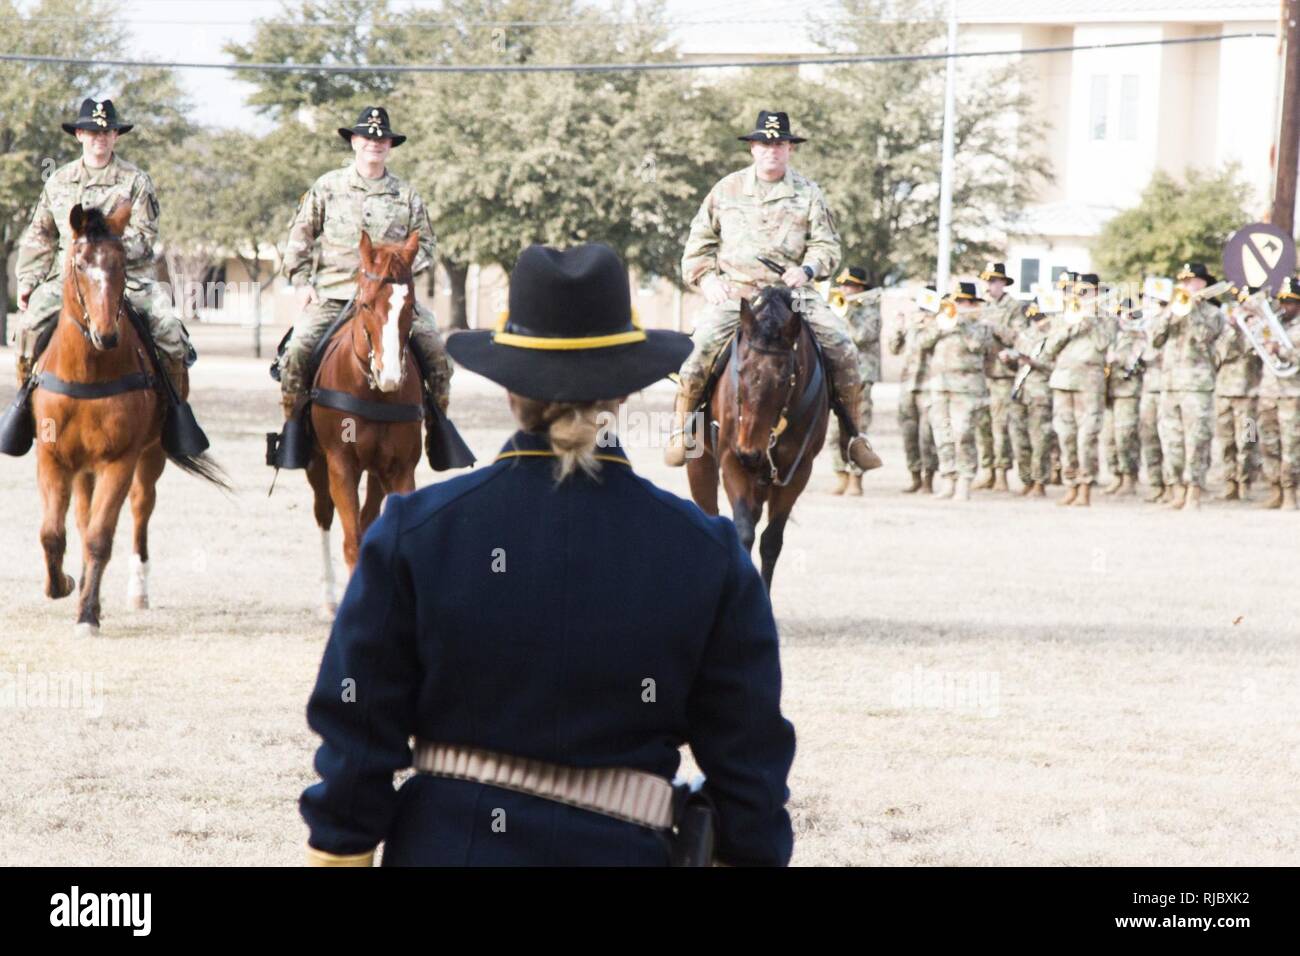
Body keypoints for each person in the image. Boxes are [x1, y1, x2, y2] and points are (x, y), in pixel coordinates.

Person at [300, 243, 797, 866]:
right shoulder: (708, 553)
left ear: (510, 389)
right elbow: (749, 772)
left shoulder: (414, 533)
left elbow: (356, 740)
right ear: (621, 394)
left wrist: (339, 852)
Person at [668, 110, 880, 473]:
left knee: (843, 347)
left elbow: (827, 246)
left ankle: (853, 436)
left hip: (792, 294)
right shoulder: (725, 190)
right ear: (752, 147)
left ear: (790, 149)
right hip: (738, 293)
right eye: (765, 144)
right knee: (698, 349)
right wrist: (707, 281)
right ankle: (681, 431)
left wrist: (808, 268)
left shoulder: (809, 192)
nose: (772, 150)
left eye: (780, 144)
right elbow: (697, 247)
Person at [279, 106, 452, 421]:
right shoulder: (327, 187)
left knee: (437, 354)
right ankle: (294, 428)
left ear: (389, 146)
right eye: (368, 137)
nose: (375, 143)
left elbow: (426, 244)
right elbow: (299, 236)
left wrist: (395, 273)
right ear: (355, 142)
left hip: (390, 300)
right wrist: (302, 283)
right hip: (335, 293)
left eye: (382, 139)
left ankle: (439, 430)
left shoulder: (407, 195)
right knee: (296, 351)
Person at [14, 98, 191, 388]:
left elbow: (145, 238)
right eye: (94, 132)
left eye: (107, 131)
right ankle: (25, 405)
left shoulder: (136, 181)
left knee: (171, 332)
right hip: (68, 280)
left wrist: (106, 253)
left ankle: (175, 413)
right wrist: (28, 281)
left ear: (116, 136)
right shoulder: (59, 181)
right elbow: (41, 234)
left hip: (129, 280)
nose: (101, 137)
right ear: (79, 135)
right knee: (28, 327)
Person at [1150, 262, 1225, 511]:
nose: (1185, 286)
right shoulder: (1172, 309)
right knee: (1171, 440)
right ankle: (1177, 490)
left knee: (1197, 440)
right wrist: (1173, 311)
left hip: (1197, 384)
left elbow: (1206, 338)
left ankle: (1194, 491)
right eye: (1183, 281)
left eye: (1191, 281)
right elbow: (1156, 339)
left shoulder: (1214, 313)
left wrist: (1192, 309)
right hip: (1170, 384)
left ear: (1203, 284)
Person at [1044, 273, 1114, 507]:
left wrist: (1090, 319)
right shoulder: (1064, 316)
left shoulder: (1105, 317)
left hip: (1090, 383)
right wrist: (1071, 326)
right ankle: (1070, 485)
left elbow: (1104, 344)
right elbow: (1050, 348)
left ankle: (1085, 487)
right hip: (1063, 381)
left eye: (1087, 291)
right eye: (1079, 291)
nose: (1082, 296)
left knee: (1087, 437)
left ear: (1096, 292)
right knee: (1066, 436)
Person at [918, 283, 991, 501]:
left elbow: (978, 345)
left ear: (971, 304)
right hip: (940, 385)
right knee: (943, 435)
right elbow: (922, 343)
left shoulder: (981, 325)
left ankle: (965, 481)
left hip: (967, 388)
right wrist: (940, 325)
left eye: (961, 301)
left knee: (963, 435)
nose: (956, 305)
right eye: (954, 301)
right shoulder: (941, 322)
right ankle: (948, 479)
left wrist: (962, 324)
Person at [827, 267, 882, 495]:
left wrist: (848, 312)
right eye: (843, 285)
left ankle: (856, 478)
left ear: (860, 288)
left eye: (850, 286)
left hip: (861, 375)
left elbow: (863, 336)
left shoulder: (870, 310)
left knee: (857, 428)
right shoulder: (834, 309)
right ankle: (840, 473)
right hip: (836, 374)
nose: (844, 290)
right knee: (832, 430)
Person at [976, 262, 1027, 491]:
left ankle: (1001, 473)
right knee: (982, 425)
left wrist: (994, 326)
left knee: (1001, 426)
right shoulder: (980, 306)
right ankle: (986, 469)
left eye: (994, 281)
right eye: (987, 280)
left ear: (1003, 283)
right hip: (981, 373)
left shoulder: (1014, 307)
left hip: (1002, 374)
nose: (990, 285)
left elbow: (1018, 338)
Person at [1212, 288, 1264, 501]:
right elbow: (1219, 355)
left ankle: (1246, 482)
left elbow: (1254, 353)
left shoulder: (1261, 328)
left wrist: (1253, 325)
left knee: (1248, 440)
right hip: (1224, 391)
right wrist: (1233, 329)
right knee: (1226, 441)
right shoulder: (1227, 329)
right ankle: (1229, 482)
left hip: (1248, 393)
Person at [1002, 300, 1054, 496]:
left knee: (1040, 439)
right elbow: (1017, 367)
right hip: (1020, 391)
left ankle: (1040, 481)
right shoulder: (1024, 336)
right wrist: (1009, 361)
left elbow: (1055, 367)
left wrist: (1034, 362)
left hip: (1040, 392)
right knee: (1018, 438)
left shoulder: (1052, 337)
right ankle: (1026, 479)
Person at [890, 291, 938, 493]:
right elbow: (894, 349)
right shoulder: (912, 324)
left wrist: (926, 322)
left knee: (927, 435)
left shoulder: (939, 323)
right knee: (908, 434)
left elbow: (926, 343)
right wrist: (899, 328)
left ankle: (929, 479)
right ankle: (915, 476)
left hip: (928, 385)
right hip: (907, 384)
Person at [1263, 275, 1300, 510]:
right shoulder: (1272, 323)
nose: (1285, 306)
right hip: (1268, 391)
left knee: (1291, 445)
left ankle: (1290, 492)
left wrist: (1281, 351)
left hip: (1292, 393)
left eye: (1291, 302)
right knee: (1266, 442)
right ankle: (1274, 488)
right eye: (1282, 301)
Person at [1101, 298, 1144, 496]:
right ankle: (1116, 475)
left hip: (1128, 391)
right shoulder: (1111, 336)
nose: (1121, 318)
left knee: (1125, 436)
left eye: (1126, 313)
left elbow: (1140, 361)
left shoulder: (1138, 336)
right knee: (1110, 437)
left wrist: (1119, 358)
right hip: (1110, 391)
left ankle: (1129, 477)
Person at [1138, 279, 1170, 502]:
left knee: (1169, 439)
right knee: (1148, 436)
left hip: (1169, 386)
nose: (1148, 304)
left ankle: (1172, 484)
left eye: (1154, 300)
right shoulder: (1144, 324)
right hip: (1149, 386)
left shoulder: (1173, 321)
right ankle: (1155, 483)